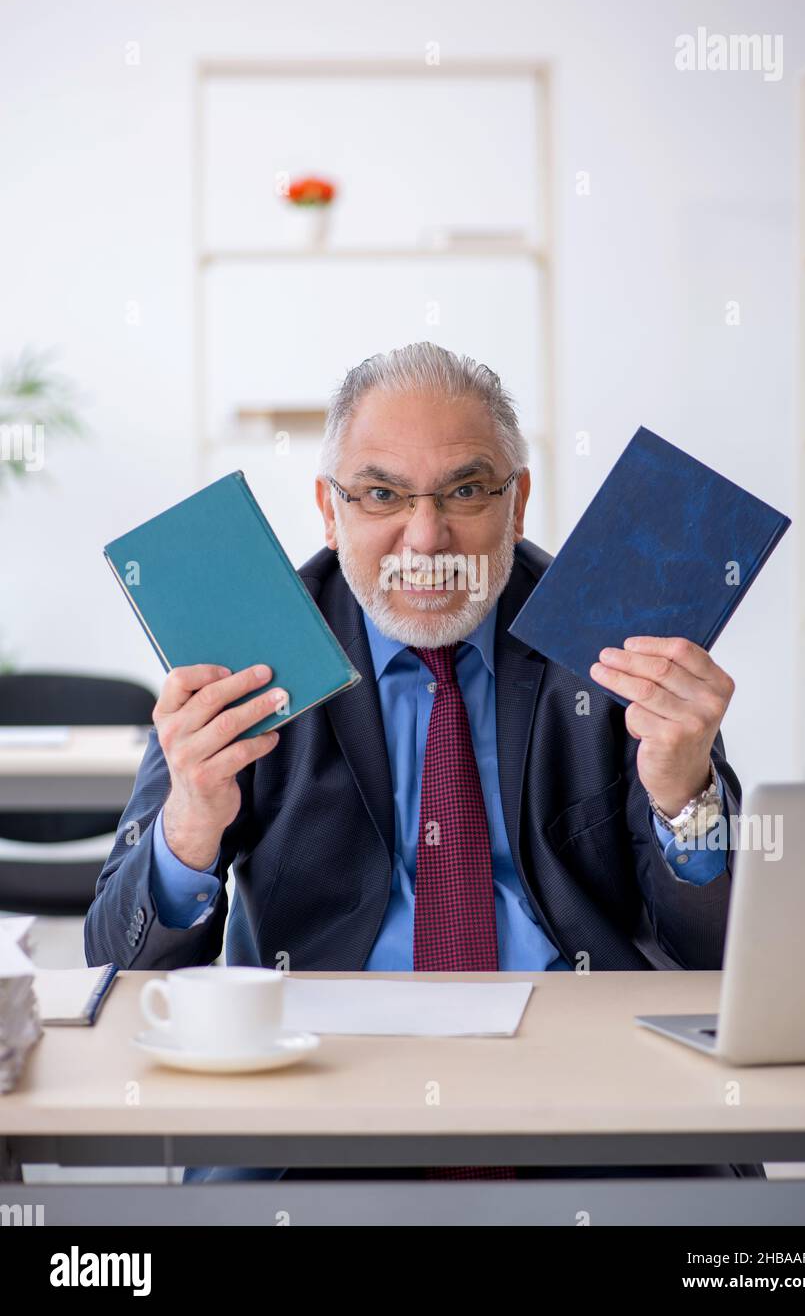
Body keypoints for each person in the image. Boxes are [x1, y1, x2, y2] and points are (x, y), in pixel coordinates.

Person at [86, 342, 764, 1184]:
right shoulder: (247, 657)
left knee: (740, 1248)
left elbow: (724, 958)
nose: (425, 536)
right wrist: (190, 823)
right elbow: (116, 968)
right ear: (329, 513)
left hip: (590, 1071)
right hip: (314, 1077)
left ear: (516, 503)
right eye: (379, 495)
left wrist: (683, 799)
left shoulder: (615, 645)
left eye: (467, 490)